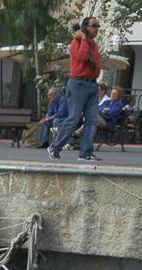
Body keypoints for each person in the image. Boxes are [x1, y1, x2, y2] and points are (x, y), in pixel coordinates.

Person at [48, 17, 103, 162]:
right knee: (73, 118)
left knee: (92, 120)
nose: (97, 28)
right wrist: (83, 39)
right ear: (85, 28)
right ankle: (55, 147)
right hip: (78, 83)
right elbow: (82, 56)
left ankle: (85, 152)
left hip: (92, 84)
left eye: (98, 26)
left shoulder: (94, 45)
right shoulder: (76, 43)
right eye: (94, 26)